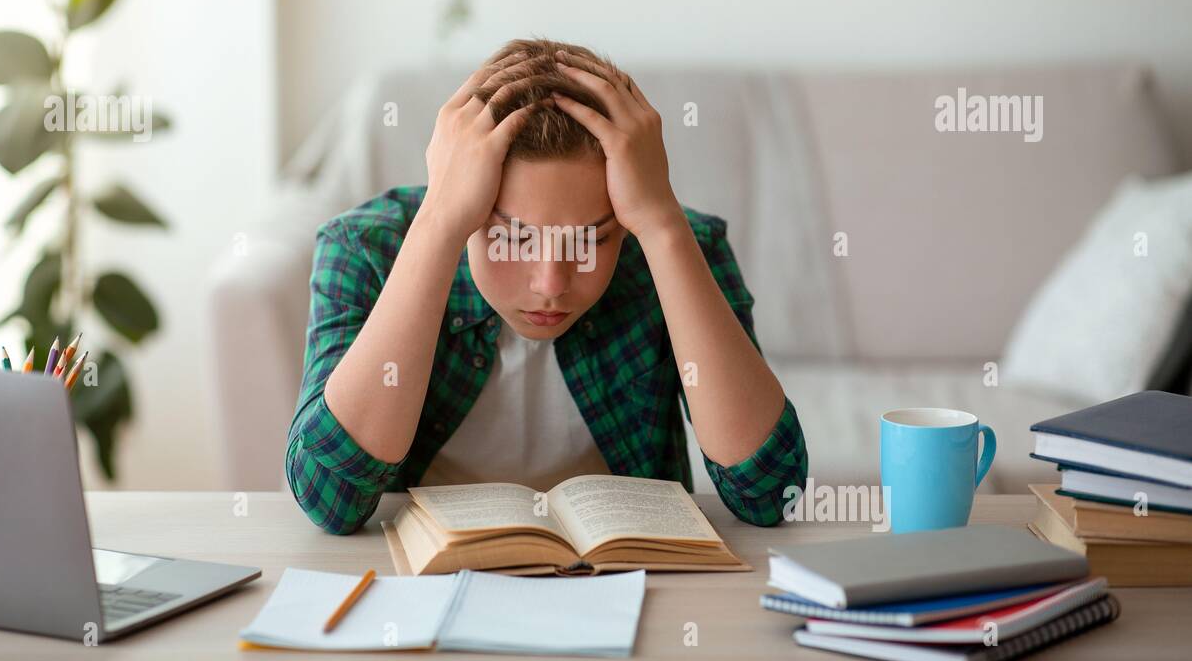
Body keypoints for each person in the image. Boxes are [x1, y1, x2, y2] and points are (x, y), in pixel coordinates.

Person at [286, 37, 808, 534]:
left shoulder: (674, 244)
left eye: (593, 240)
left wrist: (663, 223)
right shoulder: (364, 248)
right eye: (513, 238)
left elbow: (767, 494)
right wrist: (440, 225)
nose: (551, 283)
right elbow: (329, 498)